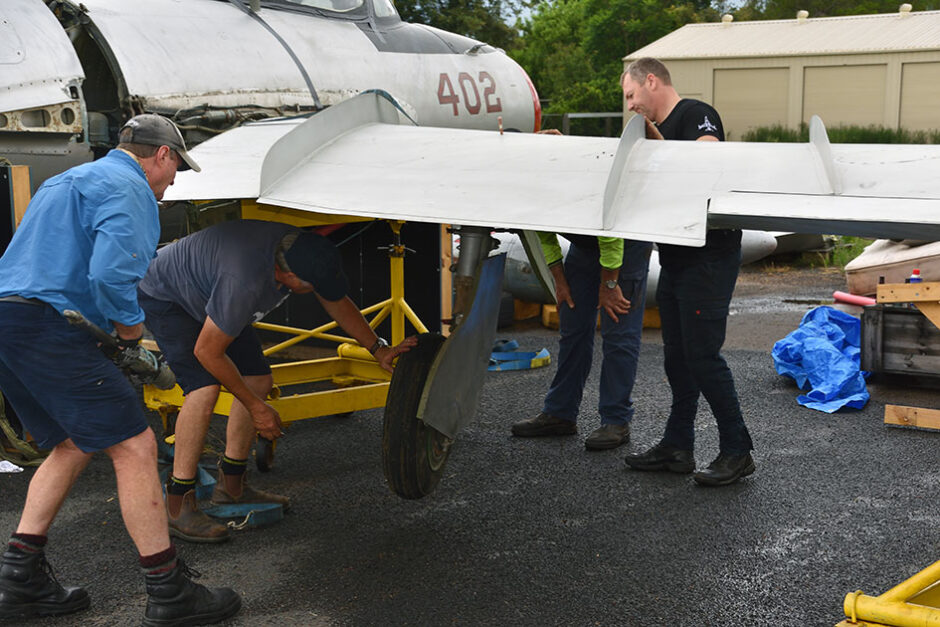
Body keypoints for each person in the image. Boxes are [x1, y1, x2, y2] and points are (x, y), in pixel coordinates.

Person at [0, 114, 241, 625]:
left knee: (75, 441)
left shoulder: (67, 180)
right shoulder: (130, 187)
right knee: (135, 445)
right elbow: (111, 274)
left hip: (9, 318)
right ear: (162, 155)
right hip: (49, 324)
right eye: (175, 168)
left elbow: (45, 260)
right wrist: (131, 339)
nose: (172, 181)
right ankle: (169, 591)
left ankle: (18, 579)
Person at [137, 219, 417, 542]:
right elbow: (207, 352)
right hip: (167, 296)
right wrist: (256, 409)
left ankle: (231, 487)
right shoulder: (244, 281)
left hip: (210, 291)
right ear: (286, 276)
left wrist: (377, 349)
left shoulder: (298, 251)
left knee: (258, 378)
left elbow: (335, 300)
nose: (313, 292)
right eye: (309, 286)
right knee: (204, 388)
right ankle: (177, 504)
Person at [620, 57, 755, 486]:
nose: (629, 106)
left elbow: (706, 163)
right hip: (678, 258)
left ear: (652, 81)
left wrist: (655, 142)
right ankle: (678, 446)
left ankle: (738, 451)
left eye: (631, 95)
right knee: (678, 359)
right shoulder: (651, 129)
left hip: (708, 258)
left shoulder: (695, 114)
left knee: (702, 357)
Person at [511, 151, 653, 449]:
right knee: (573, 326)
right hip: (585, 244)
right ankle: (560, 413)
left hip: (624, 238)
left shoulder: (583, 184)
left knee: (618, 328)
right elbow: (544, 235)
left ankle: (616, 420)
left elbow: (611, 235)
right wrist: (560, 282)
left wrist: (610, 284)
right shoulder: (530, 188)